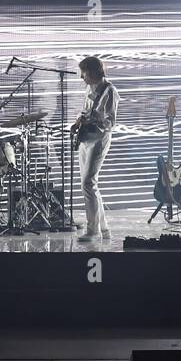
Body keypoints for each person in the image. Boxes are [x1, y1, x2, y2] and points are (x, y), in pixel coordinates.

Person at [72, 56, 119, 242]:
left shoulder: (110, 91)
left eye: (83, 72)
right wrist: (79, 121)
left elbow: (110, 122)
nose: (81, 76)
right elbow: (85, 110)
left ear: (91, 72)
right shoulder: (89, 88)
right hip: (86, 138)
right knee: (90, 184)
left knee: (88, 183)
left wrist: (93, 118)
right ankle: (103, 227)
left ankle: (94, 231)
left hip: (99, 139)